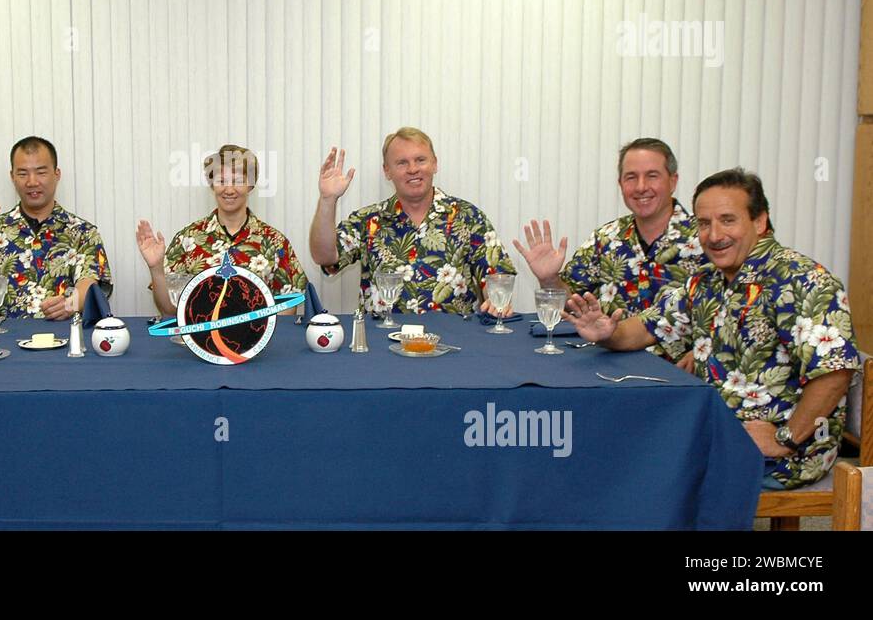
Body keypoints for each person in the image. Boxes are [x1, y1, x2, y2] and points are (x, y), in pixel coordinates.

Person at [565, 168, 860, 489]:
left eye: (728, 220)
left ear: (760, 221)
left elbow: (835, 373)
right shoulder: (705, 283)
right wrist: (607, 332)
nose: (714, 235)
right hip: (715, 425)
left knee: (640, 473)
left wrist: (786, 436)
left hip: (787, 447)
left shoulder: (803, 280)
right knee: (610, 443)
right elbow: (644, 329)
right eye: (704, 224)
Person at [513, 138, 707, 356]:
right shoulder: (606, 239)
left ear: (673, 181)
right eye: (631, 177)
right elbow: (573, 305)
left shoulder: (706, 239)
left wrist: (702, 354)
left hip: (679, 376)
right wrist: (549, 279)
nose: (641, 187)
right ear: (620, 185)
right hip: (610, 365)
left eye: (652, 176)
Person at [309, 127, 515, 315]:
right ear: (387, 171)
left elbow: (498, 276)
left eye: (420, 160)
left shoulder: (468, 217)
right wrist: (328, 200)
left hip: (454, 346)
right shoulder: (367, 221)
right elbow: (325, 257)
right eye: (402, 163)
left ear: (435, 164)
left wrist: (496, 302)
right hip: (380, 346)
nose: (413, 169)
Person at [0, 136, 112, 319]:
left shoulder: (83, 232)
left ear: (56, 175)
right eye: (23, 173)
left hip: (63, 341)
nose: (32, 182)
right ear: (12, 177)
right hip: (2, 343)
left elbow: (91, 284)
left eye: (41, 172)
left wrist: (71, 303)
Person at [137, 144, 307, 316]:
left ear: (251, 185)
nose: (229, 189)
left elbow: (288, 307)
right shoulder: (187, 239)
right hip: (199, 340)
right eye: (222, 181)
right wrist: (156, 268)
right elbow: (168, 310)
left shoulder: (275, 242)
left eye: (238, 181)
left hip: (257, 340)